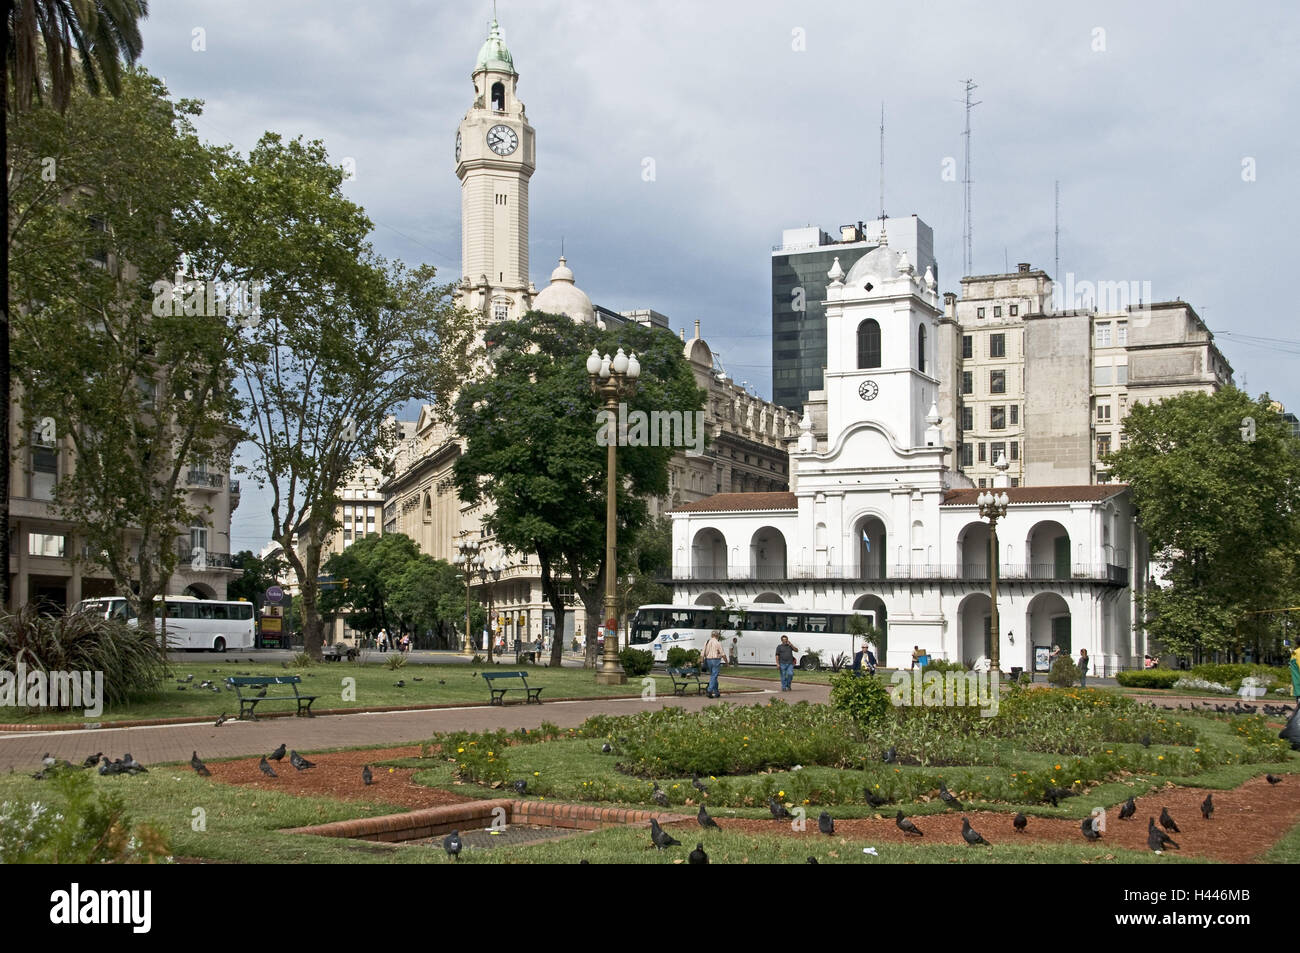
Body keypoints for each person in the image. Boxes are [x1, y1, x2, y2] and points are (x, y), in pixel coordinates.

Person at [701, 630, 726, 698]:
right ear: (717, 635)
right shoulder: (718, 643)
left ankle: (716, 692)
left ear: (712, 635)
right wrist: (727, 662)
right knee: (714, 676)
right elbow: (723, 653)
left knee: (713, 676)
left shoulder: (707, 642)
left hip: (708, 660)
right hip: (716, 660)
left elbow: (702, 653)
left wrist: (702, 662)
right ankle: (709, 690)